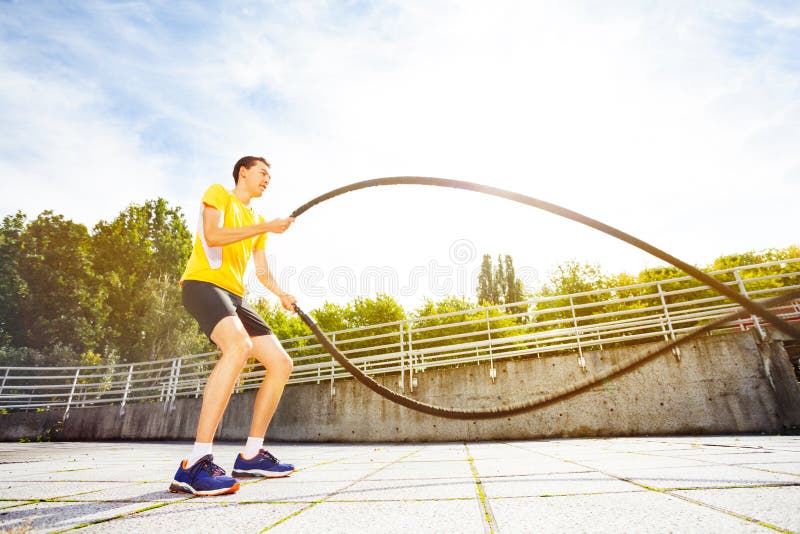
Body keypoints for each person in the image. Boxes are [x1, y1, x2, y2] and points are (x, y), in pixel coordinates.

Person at [169, 156, 298, 496]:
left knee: (281, 363)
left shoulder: (256, 220)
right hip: (202, 285)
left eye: (270, 175)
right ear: (243, 171)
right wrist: (266, 226)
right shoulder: (219, 194)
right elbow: (212, 236)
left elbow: (261, 271)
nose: (267, 179)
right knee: (238, 347)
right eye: (262, 172)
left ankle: (252, 454)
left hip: (235, 296)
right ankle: (195, 464)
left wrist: (281, 294)